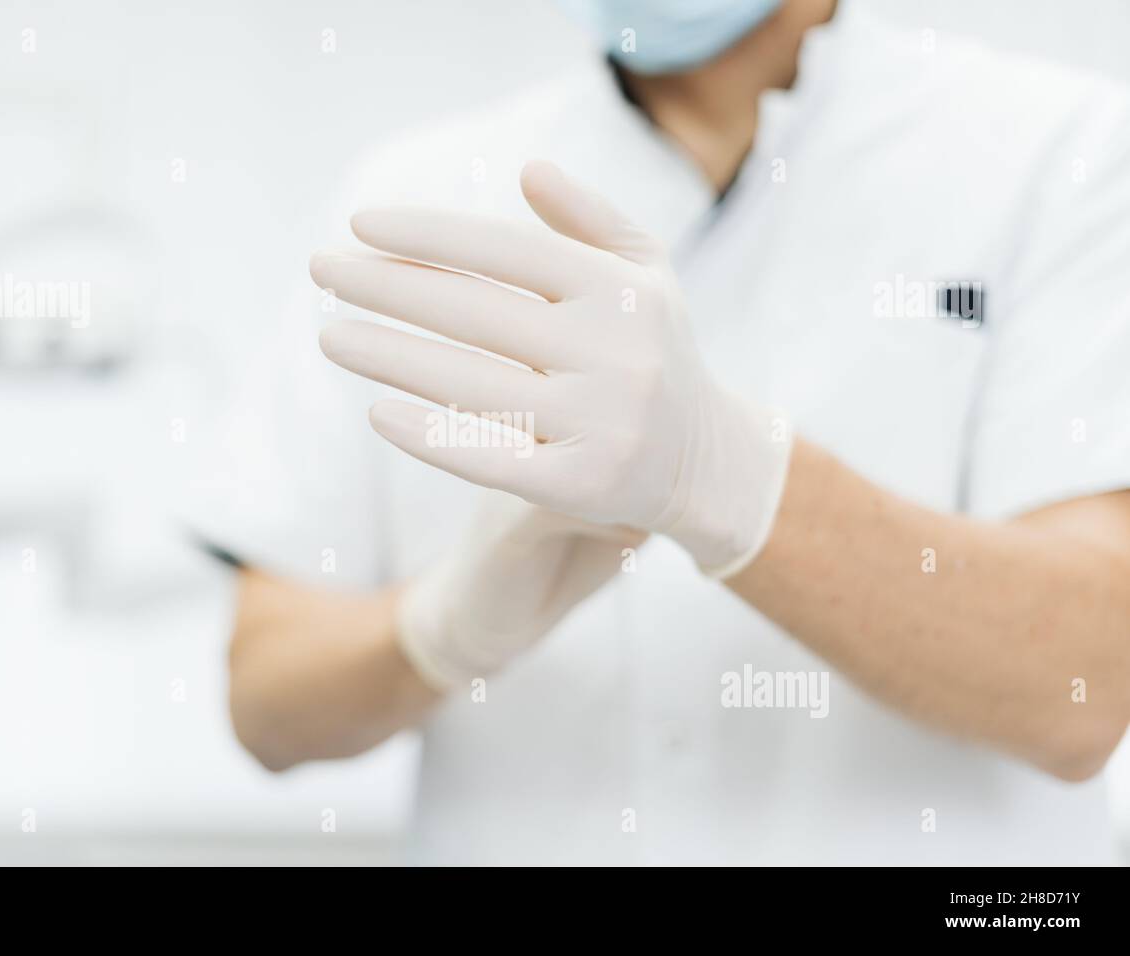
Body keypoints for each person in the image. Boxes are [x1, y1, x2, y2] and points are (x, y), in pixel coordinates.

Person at [199, 0, 1130, 864]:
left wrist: (727, 479)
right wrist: (438, 630)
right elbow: (267, 704)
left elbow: (1085, 686)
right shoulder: (418, 189)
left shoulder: (1066, 152)